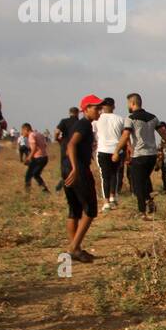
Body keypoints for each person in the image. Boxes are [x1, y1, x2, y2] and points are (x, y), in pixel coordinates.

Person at [114, 93, 166, 220]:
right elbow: (163, 133)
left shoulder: (130, 118)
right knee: (145, 179)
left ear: (133, 103)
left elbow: (125, 136)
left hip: (139, 155)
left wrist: (116, 151)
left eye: (128, 103)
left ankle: (142, 212)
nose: (128, 106)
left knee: (138, 183)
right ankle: (151, 203)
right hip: (152, 156)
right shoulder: (153, 117)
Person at [64, 96, 103, 262]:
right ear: (86, 109)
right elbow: (71, 145)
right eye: (96, 108)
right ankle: (73, 248)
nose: (99, 111)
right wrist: (75, 168)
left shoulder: (81, 124)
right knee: (91, 209)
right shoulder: (84, 124)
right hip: (78, 170)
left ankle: (76, 248)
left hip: (68, 169)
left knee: (74, 211)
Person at [94, 97, 125, 211]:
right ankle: (112, 197)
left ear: (102, 106)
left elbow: (93, 135)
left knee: (104, 176)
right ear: (114, 106)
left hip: (103, 150)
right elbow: (124, 135)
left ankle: (106, 202)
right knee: (114, 174)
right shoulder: (120, 119)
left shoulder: (97, 119)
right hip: (117, 150)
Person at [54, 106, 79, 192]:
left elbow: (57, 131)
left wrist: (57, 138)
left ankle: (64, 181)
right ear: (78, 113)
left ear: (69, 113)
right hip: (77, 146)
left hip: (65, 145)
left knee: (65, 165)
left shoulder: (64, 121)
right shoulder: (80, 122)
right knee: (75, 165)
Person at [23, 123, 50, 193]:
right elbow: (45, 145)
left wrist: (29, 158)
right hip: (45, 157)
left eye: (23, 131)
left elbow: (34, 148)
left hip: (38, 158)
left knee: (28, 175)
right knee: (36, 174)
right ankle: (45, 189)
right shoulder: (38, 134)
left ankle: (27, 192)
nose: (22, 133)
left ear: (26, 129)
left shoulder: (31, 135)